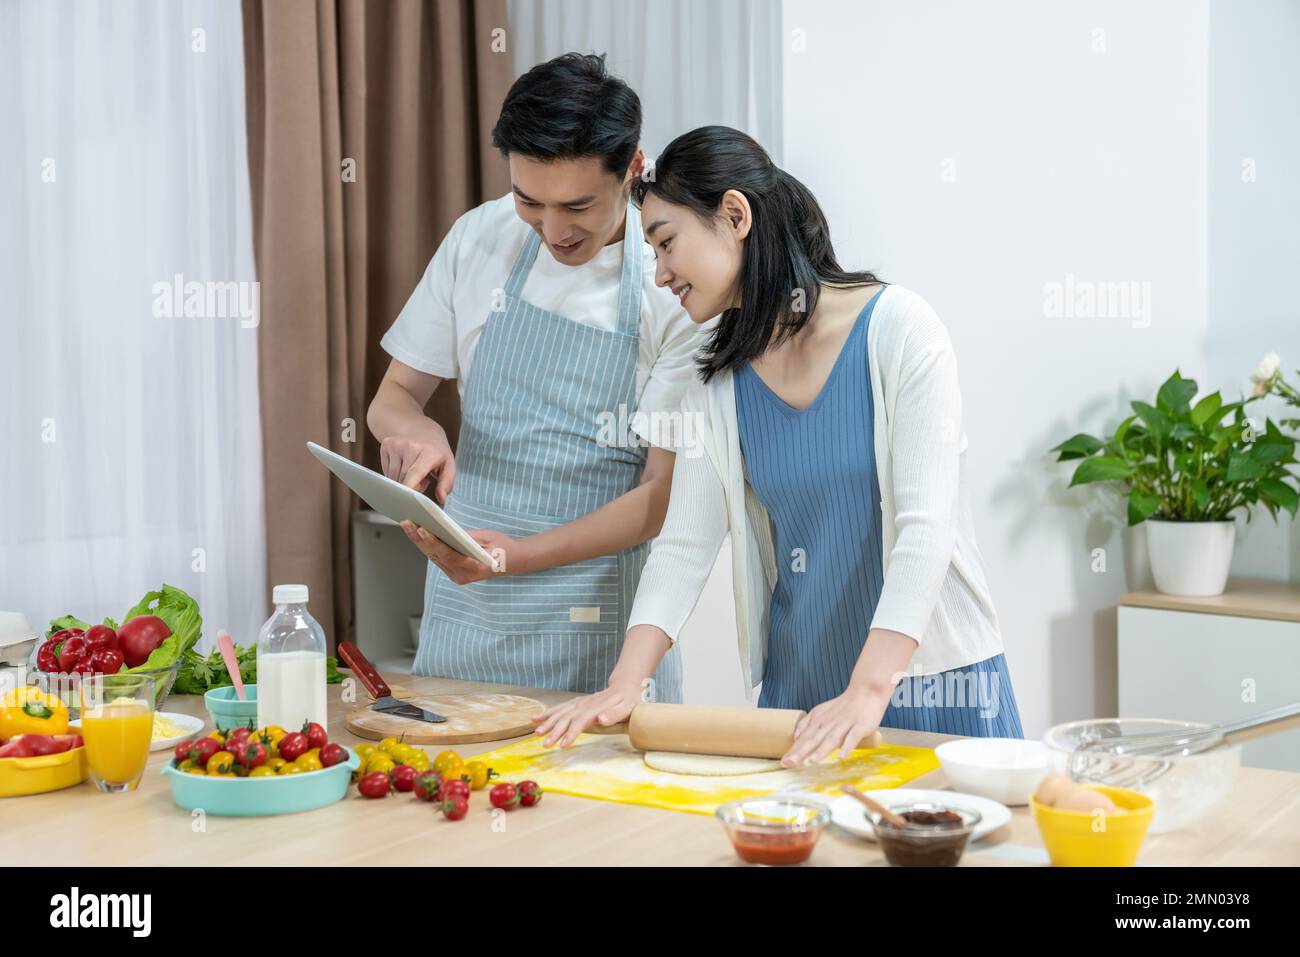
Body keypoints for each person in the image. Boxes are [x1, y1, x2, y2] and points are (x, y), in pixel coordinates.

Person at [536, 127, 1023, 762]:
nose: (659, 275)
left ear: (734, 215)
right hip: (803, 700)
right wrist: (626, 685)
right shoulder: (719, 385)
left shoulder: (900, 331)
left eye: (665, 243)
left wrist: (869, 689)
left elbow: (923, 529)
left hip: (934, 685)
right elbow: (683, 547)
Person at [366, 55, 706, 699]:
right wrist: (421, 434)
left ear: (634, 166)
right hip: (469, 609)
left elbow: (659, 499)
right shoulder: (480, 238)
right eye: (530, 200)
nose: (554, 230)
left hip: (598, 627)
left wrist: (511, 558)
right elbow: (394, 398)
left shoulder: (672, 284)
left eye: (578, 206)